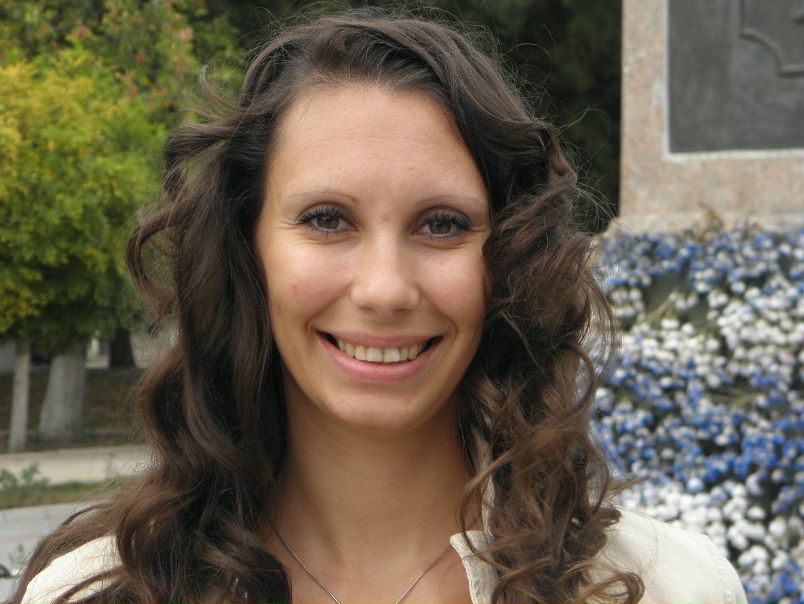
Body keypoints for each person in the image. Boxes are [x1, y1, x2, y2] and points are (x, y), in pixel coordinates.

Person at [11, 11, 746, 604]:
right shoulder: (94, 592)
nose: (385, 289)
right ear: (246, 249)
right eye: (328, 219)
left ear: (510, 259)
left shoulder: (671, 587)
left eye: (442, 224)